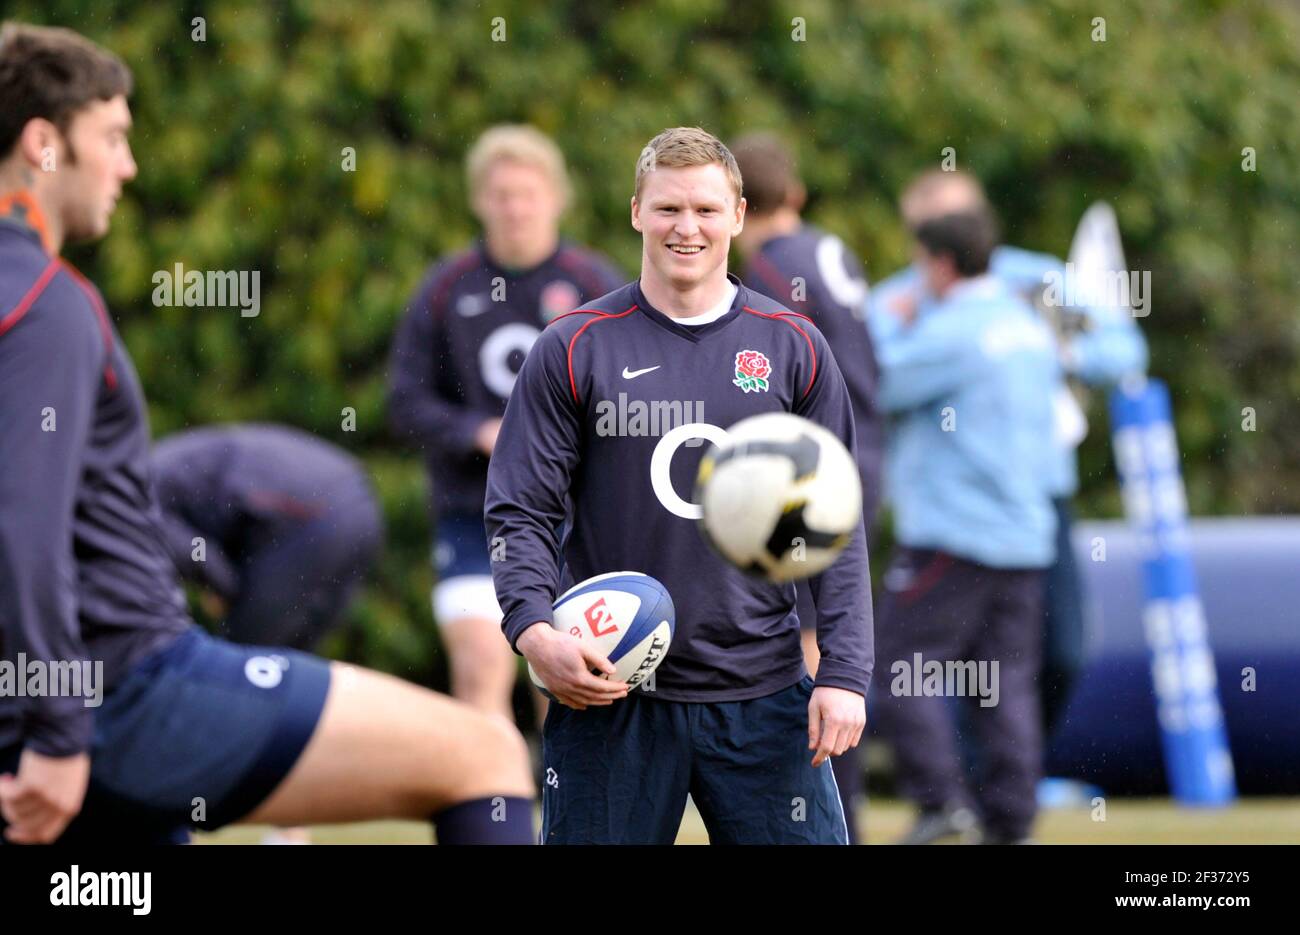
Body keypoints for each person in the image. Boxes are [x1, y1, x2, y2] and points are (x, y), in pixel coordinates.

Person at [0, 22, 533, 845]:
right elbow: (24, 524)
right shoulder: (45, 299)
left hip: (79, 700)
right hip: (128, 693)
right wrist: (58, 727)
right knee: (487, 754)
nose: (127, 165)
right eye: (110, 137)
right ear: (43, 142)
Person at [485, 126, 873, 844]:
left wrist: (845, 670)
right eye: (667, 208)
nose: (685, 227)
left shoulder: (793, 348)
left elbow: (835, 526)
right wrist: (533, 630)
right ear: (636, 212)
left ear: (739, 215)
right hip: (609, 692)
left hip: (763, 695)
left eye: (704, 209)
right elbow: (520, 513)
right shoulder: (573, 347)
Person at [872, 170, 1148, 738]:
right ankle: (971, 799)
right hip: (950, 512)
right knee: (947, 666)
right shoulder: (900, 298)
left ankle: (994, 790)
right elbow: (865, 374)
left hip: (1038, 495)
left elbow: (1124, 349)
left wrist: (1057, 351)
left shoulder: (1036, 280)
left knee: (1061, 651)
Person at [388, 125, 623, 723]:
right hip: (476, 515)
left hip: (577, 520)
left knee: (564, 680)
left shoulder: (597, 285)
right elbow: (405, 403)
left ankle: (564, 817)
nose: (514, 207)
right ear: (478, 200)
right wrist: (478, 434)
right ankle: (498, 816)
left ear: (556, 197)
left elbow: (633, 392)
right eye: (500, 194)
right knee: (479, 671)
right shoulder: (445, 287)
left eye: (527, 193)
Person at [867, 206, 1060, 844]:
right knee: (1005, 689)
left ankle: (941, 803)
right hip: (1026, 534)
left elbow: (882, 384)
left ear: (940, 263)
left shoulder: (953, 330)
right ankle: (1012, 822)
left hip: (955, 533)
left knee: (898, 668)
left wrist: (883, 323)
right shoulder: (1026, 327)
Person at [730, 132, 882, 842]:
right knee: (831, 630)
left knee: (810, 650)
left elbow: (764, 376)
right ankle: (840, 813)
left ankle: (828, 812)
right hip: (865, 452)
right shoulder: (832, 247)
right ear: (794, 194)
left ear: (738, 205)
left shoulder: (762, 268)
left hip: (804, 467)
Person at [153, 424, 382, 652]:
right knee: (292, 659)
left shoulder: (138, 497)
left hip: (313, 512)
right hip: (363, 504)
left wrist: (223, 588)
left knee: (246, 658)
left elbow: (197, 553)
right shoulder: (167, 460)